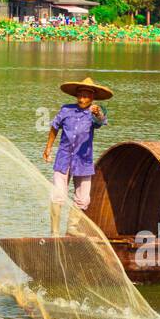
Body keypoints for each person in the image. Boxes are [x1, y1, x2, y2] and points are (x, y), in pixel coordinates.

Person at [43, 75, 113, 233]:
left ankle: (71, 228)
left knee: (83, 198)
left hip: (83, 161)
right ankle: (54, 231)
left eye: (87, 95)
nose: (83, 97)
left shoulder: (94, 113)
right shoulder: (66, 110)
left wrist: (97, 113)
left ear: (92, 97)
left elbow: (101, 122)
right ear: (76, 95)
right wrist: (48, 148)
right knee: (58, 195)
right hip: (63, 158)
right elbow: (54, 127)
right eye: (81, 94)